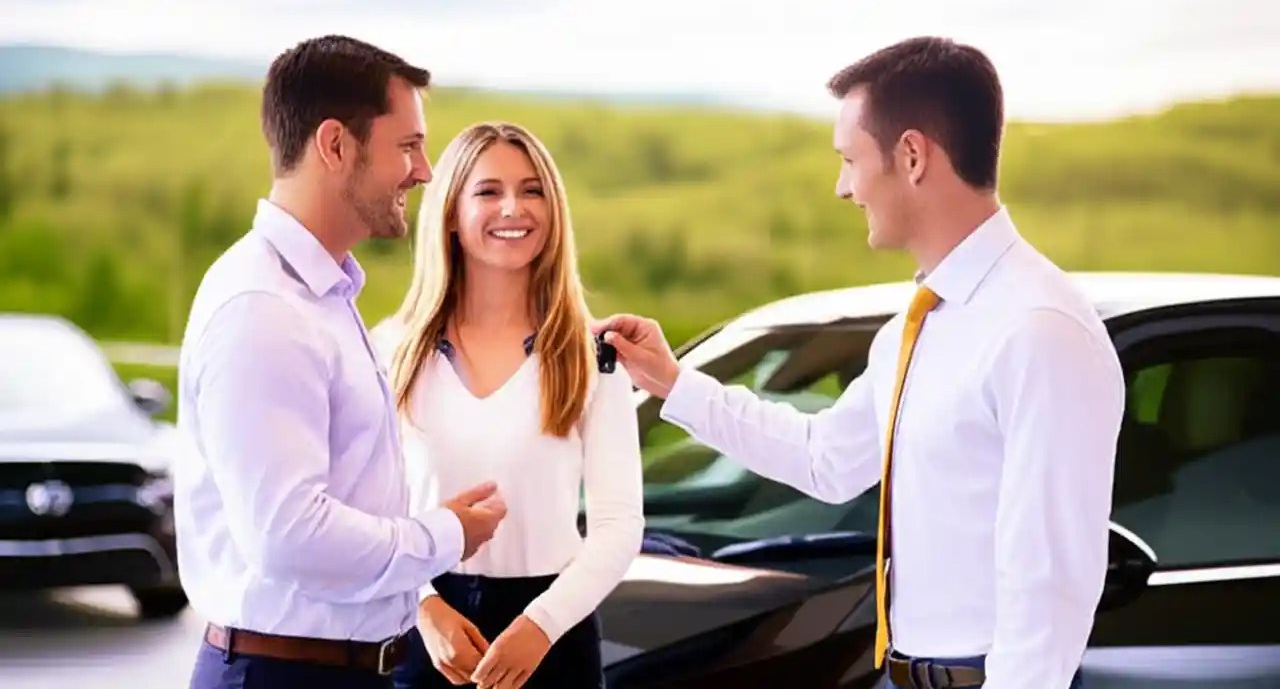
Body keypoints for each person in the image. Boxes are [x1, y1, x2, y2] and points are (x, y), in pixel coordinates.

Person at [593, 36, 1124, 689]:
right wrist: (672, 382)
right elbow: (827, 458)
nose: (843, 188)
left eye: (850, 160)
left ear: (911, 156)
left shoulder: (1040, 330)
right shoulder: (918, 324)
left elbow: (1050, 585)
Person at [176, 35, 508, 689]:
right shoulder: (264, 309)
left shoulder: (321, 296)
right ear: (335, 145)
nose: (425, 171)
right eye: (408, 146)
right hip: (283, 677)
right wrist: (444, 535)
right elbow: (289, 535)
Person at [373, 121, 644, 689]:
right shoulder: (390, 350)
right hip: (424, 636)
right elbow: (366, 509)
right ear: (451, 212)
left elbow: (619, 526)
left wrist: (541, 627)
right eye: (489, 191)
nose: (514, 208)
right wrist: (423, 607)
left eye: (532, 190)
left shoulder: (592, 356)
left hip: (554, 637)